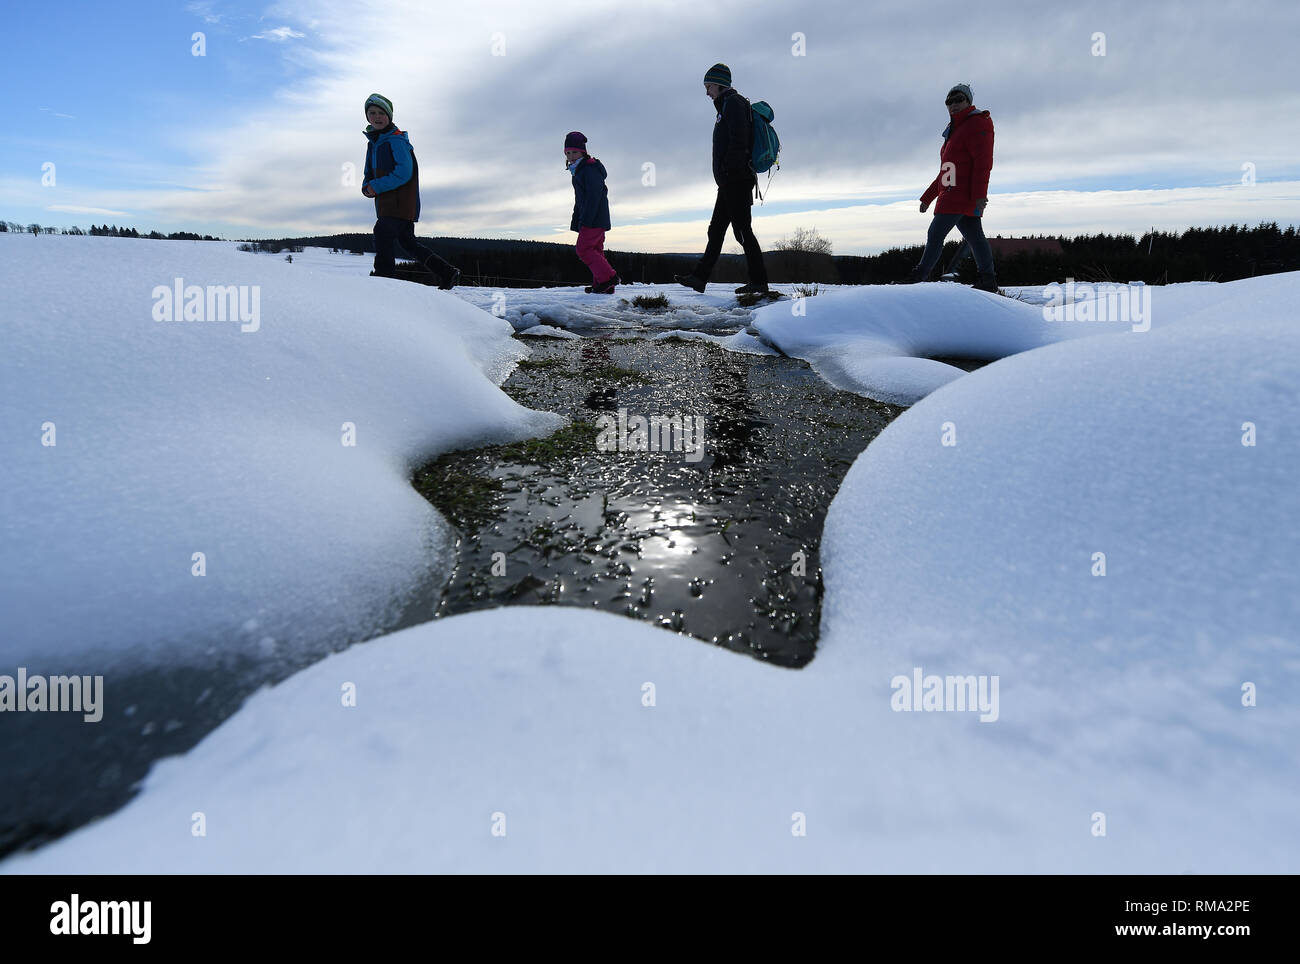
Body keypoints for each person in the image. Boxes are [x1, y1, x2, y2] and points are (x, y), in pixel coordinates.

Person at [674, 63, 770, 296]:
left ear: (720, 84)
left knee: (742, 231)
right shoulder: (726, 105)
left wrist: (728, 169)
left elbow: (739, 140)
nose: (707, 92)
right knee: (716, 230)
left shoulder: (734, 104)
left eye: (709, 86)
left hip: (736, 179)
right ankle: (700, 278)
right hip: (730, 181)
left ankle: (759, 282)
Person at [903, 83, 998, 292]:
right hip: (952, 192)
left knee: (935, 233)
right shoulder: (954, 130)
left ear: (968, 102)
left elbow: (983, 164)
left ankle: (918, 277)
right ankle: (988, 280)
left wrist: (980, 196)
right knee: (974, 237)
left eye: (959, 100)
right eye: (949, 101)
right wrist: (928, 197)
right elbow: (948, 171)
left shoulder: (977, 124)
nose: (953, 105)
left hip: (961, 194)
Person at [361, 93, 460, 289]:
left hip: (400, 202)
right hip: (387, 203)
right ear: (367, 117)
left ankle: (383, 281)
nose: (377, 117)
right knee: (408, 243)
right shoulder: (374, 143)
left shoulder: (396, 141)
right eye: (372, 113)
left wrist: (377, 186)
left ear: (389, 116)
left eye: (381, 113)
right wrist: (366, 185)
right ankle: (447, 272)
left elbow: (404, 173)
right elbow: (368, 172)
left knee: (382, 232)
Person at [564, 132, 619, 294]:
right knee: (595, 250)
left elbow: (594, 197)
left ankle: (609, 277)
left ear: (583, 152)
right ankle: (604, 285)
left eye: (574, 152)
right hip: (593, 217)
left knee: (583, 249)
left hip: (594, 218)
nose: (571, 156)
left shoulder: (588, 169)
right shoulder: (579, 170)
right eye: (568, 153)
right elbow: (580, 199)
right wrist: (577, 220)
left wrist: (586, 220)